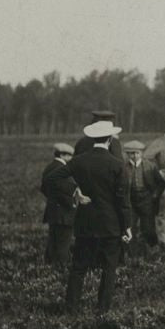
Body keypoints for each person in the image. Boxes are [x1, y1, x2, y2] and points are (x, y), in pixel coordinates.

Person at [64, 120, 131, 313]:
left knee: (78, 267)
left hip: (85, 222)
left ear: (92, 138)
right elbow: (123, 200)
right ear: (110, 140)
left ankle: (71, 309)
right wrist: (127, 226)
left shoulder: (78, 161)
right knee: (109, 269)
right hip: (111, 225)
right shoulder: (117, 165)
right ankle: (102, 311)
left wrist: (74, 191)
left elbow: (52, 178)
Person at [39, 142, 78, 269]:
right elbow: (64, 191)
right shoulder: (62, 170)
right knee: (63, 242)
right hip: (64, 212)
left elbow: (44, 188)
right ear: (63, 155)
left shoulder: (49, 167)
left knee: (53, 239)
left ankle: (49, 264)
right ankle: (61, 267)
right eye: (69, 156)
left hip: (52, 211)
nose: (71, 159)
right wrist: (72, 204)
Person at [123, 139, 165, 253]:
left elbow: (161, 183)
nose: (134, 156)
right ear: (127, 154)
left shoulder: (150, 166)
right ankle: (132, 253)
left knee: (148, 228)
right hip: (130, 200)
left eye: (137, 153)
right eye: (131, 153)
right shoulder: (123, 168)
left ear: (141, 153)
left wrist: (155, 195)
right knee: (130, 227)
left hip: (147, 199)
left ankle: (153, 249)